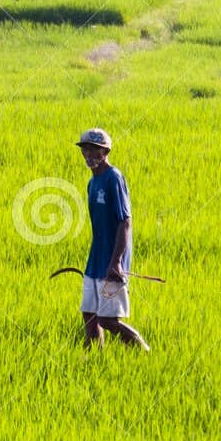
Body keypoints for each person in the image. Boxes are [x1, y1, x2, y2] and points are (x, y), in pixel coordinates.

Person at [77, 127, 149, 351]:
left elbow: (124, 221)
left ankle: (143, 351)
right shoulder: (92, 183)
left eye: (96, 150)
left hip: (112, 260)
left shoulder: (113, 178)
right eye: (86, 149)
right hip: (96, 259)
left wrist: (117, 261)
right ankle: (93, 360)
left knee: (108, 319)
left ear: (106, 152)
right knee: (89, 315)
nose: (90, 155)